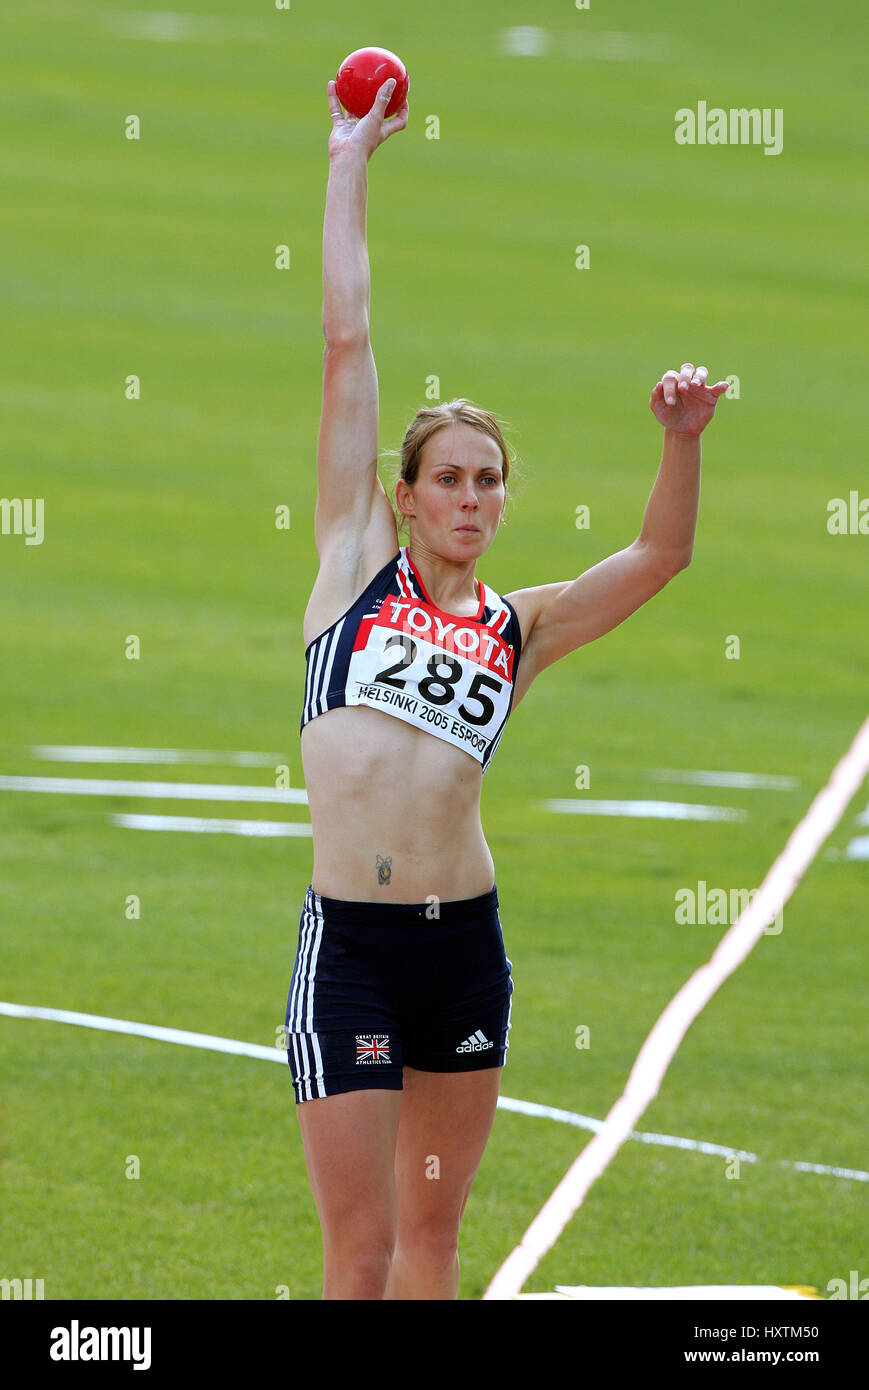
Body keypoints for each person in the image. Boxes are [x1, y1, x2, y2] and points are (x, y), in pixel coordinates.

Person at [285, 74, 729, 1301]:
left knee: (432, 1245)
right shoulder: (350, 567)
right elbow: (345, 337)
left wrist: (678, 440)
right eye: (451, 479)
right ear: (406, 491)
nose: (474, 499)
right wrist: (348, 157)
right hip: (354, 953)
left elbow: (658, 557)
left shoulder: (516, 627)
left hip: (463, 949)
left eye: (490, 481)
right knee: (361, 1251)